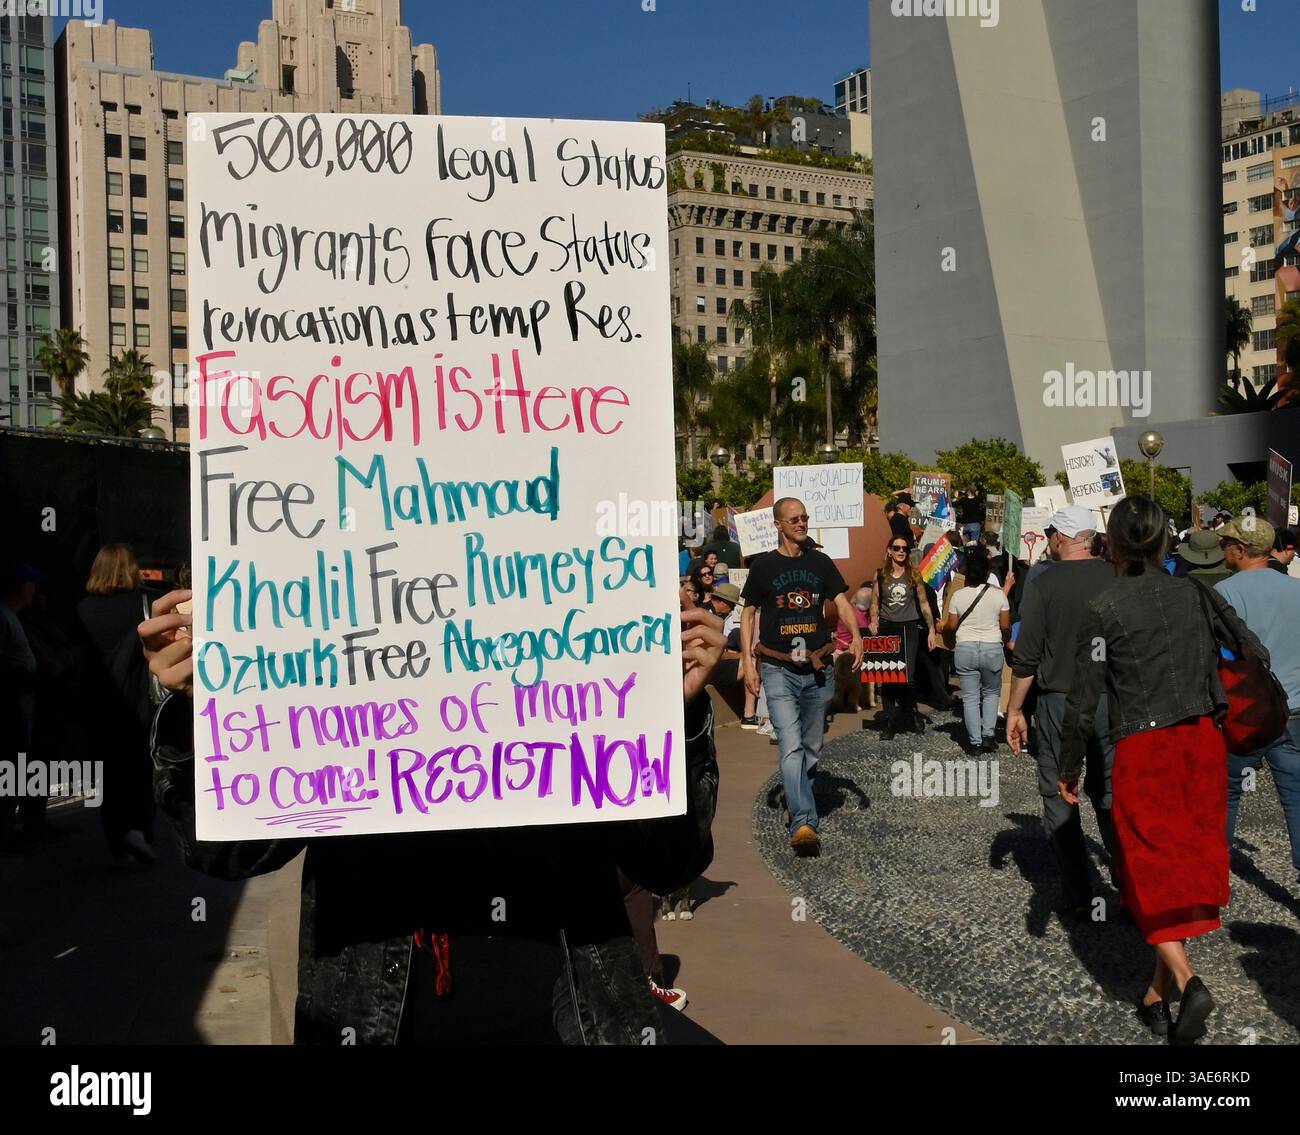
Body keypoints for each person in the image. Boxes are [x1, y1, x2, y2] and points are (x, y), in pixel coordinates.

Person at [141, 588, 722, 1045]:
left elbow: (670, 861)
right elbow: (224, 852)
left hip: (569, 1021)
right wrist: (200, 720)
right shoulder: (326, 647)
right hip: (372, 1021)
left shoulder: (577, 646)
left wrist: (676, 715)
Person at [1058, 497, 1265, 1044]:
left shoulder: (1104, 608)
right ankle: (1157, 993)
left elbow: (1083, 699)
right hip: (1201, 741)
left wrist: (1069, 764)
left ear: (1115, 544)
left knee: (1141, 862)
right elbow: (1251, 647)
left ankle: (1188, 980)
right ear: (1162, 541)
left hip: (1144, 747)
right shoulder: (1195, 592)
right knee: (1184, 860)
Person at [1006, 505, 1121, 918]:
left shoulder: (1044, 581)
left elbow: (1027, 656)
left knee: (1059, 791)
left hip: (1059, 700)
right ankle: (1129, 884)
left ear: (1059, 538)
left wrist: (1015, 709)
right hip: (1112, 700)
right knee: (1111, 794)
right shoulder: (1117, 575)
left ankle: (1078, 891)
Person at [740, 498, 862, 857]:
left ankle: (797, 800)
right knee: (790, 744)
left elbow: (841, 602)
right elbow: (748, 613)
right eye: (794, 519)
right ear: (779, 524)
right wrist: (749, 662)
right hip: (778, 668)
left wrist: (856, 636)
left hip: (817, 668)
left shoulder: (820, 562)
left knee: (811, 747)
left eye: (805, 518)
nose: (801, 523)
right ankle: (803, 822)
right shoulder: (764, 566)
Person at [1215, 517, 1300, 884]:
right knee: (1296, 795)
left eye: (1226, 544)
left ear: (1240, 549)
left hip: (1243, 712)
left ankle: (1215, 872)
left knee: (1227, 793)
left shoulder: (1223, 594)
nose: (1223, 551)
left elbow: (1215, 656)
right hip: (1292, 711)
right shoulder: (1297, 590)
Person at [77, 544, 158, 866]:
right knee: (140, 770)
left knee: (107, 775)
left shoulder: (83, 609)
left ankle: (118, 838)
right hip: (138, 703)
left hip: (99, 706)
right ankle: (140, 831)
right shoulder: (143, 605)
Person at [941, 547, 1010, 755]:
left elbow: (951, 627)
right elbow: (1005, 626)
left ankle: (974, 743)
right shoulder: (999, 596)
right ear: (987, 573)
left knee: (970, 697)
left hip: (965, 648)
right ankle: (989, 735)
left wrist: (940, 628)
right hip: (991, 647)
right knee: (991, 693)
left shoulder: (958, 596)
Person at [869, 534, 937, 740]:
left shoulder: (913, 574)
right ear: (889, 550)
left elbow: (924, 603)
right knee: (888, 677)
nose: (900, 551)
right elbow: (875, 601)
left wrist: (931, 629)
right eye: (896, 547)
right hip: (887, 627)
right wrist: (873, 620)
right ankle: (890, 722)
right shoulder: (880, 575)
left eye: (905, 549)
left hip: (909, 628)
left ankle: (910, 710)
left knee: (908, 676)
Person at [0, 563, 38, 851]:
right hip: (9, 707)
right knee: (10, 767)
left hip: (20, 705)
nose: (34, 590)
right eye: (30, 584)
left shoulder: (12, 616)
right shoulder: (3, 617)